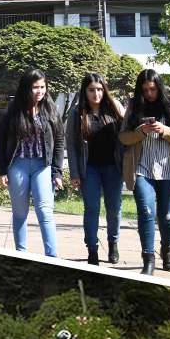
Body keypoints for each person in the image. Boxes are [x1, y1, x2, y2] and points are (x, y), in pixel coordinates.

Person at [119, 69, 170, 275]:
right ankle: (148, 259)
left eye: (152, 89)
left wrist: (165, 130)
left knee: (167, 217)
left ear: (159, 87)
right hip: (141, 169)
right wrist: (140, 131)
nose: (149, 94)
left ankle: (166, 251)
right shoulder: (134, 108)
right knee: (146, 212)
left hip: (168, 171)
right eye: (145, 90)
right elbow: (123, 137)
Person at [0, 69, 65, 257]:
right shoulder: (13, 109)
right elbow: (0, 139)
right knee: (20, 213)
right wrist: (2, 170)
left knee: (45, 212)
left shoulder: (51, 109)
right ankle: (21, 253)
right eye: (35, 87)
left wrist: (57, 172)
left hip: (43, 165)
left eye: (42, 87)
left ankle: (51, 257)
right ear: (27, 88)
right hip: (19, 164)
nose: (39, 91)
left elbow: (59, 141)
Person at [66, 72, 124, 266]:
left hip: (113, 167)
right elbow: (71, 145)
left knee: (114, 208)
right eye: (91, 90)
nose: (96, 94)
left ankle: (113, 242)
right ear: (85, 91)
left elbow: (126, 138)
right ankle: (92, 249)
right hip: (89, 168)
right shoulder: (77, 112)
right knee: (92, 208)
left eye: (99, 90)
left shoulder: (115, 109)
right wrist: (74, 173)